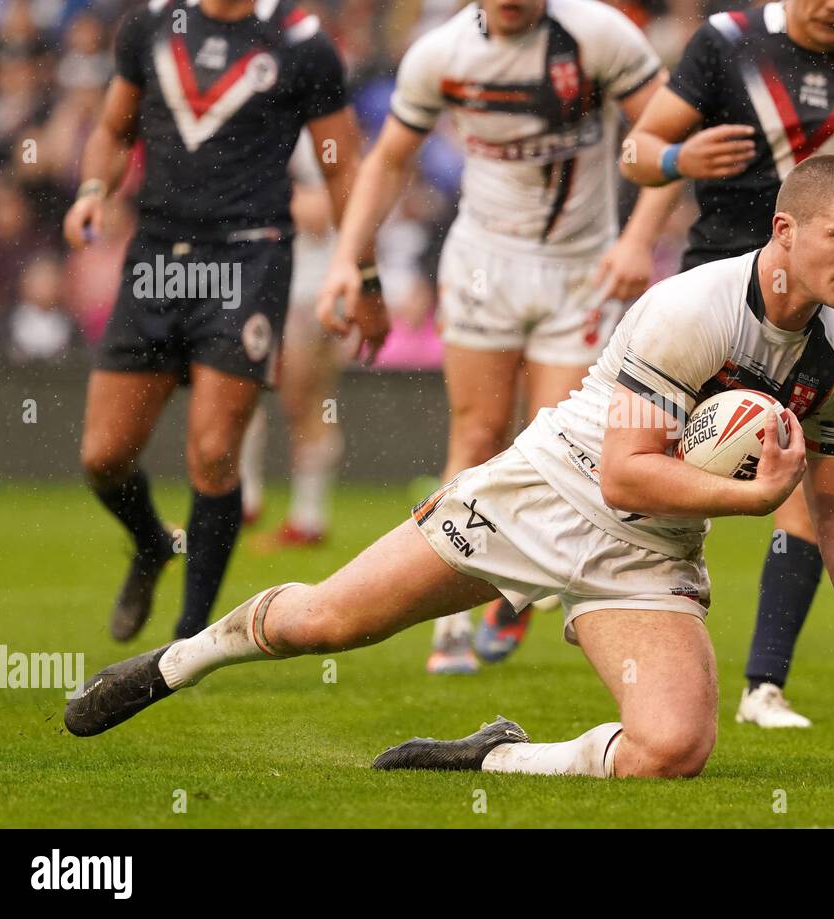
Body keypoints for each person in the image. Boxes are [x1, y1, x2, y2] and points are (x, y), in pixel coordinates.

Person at [64, 156, 834, 781]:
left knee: (672, 751)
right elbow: (624, 473)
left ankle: (493, 757)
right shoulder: (690, 310)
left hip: (650, 551)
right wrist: (751, 496)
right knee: (327, 621)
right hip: (547, 489)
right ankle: (176, 664)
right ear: (786, 231)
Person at [314, 0, 679, 675]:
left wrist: (637, 238)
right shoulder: (442, 53)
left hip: (580, 269)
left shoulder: (597, 34)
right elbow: (389, 160)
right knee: (476, 438)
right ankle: (451, 618)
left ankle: (510, 596)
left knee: (558, 449)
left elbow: (669, 135)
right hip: (484, 264)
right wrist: (349, 257)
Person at [616, 0, 834, 727]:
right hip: (717, 295)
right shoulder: (725, 43)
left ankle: (763, 684)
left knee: (808, 481)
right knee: (628, 462)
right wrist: (679, 159)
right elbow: (635, 153)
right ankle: (535, 573)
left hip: (817, 312)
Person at [63, 0, 383, 641]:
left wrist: (363, 271)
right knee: (102, 457)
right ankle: (153, 543)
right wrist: (94, 191)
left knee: (213, 453)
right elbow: (112, 130)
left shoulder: (302, 43)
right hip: (155, 255)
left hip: (249, 257)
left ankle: (188, 638)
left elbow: (341, 164)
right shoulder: (150, 25)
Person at [240, 130, 348, 547]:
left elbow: (320, 214)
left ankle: (307, 518)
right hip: (267, 285)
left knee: (303, 402)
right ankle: (247, 500)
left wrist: (258, 185)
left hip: (311, 292)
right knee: (240, 390)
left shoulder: (312, 136)